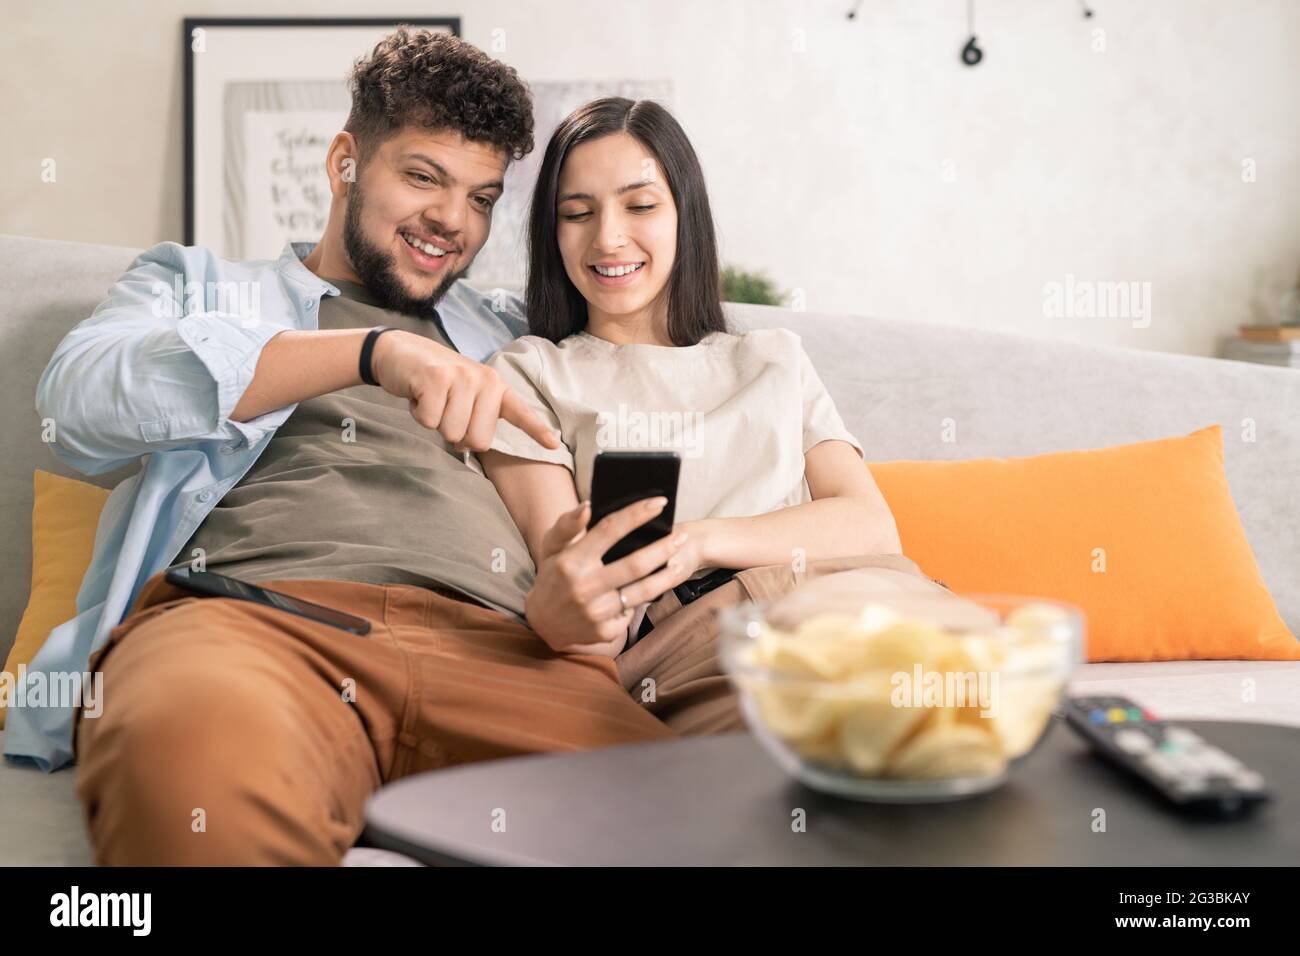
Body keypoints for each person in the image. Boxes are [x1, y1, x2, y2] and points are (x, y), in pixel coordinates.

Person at [9, 28, 973, 866]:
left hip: (511, 655)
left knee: (721, 824)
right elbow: (83, 401)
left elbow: (621, 387)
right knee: (198, 797)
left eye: (481, 197)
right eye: (422, 177)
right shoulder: (198, 286)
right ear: (347, 160)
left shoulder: (519, 337)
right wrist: (372, 354)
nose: (449, 223)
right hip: (257, 618)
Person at [477, 96, 904, 656]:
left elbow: (872, 527)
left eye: (641, 206)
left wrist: (699, 541)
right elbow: (585, 600)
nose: (607, 237)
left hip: (867, 600)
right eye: (578, 213)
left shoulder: (775, 358)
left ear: (685, 214)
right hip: (714, 635)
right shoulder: (530, 374)